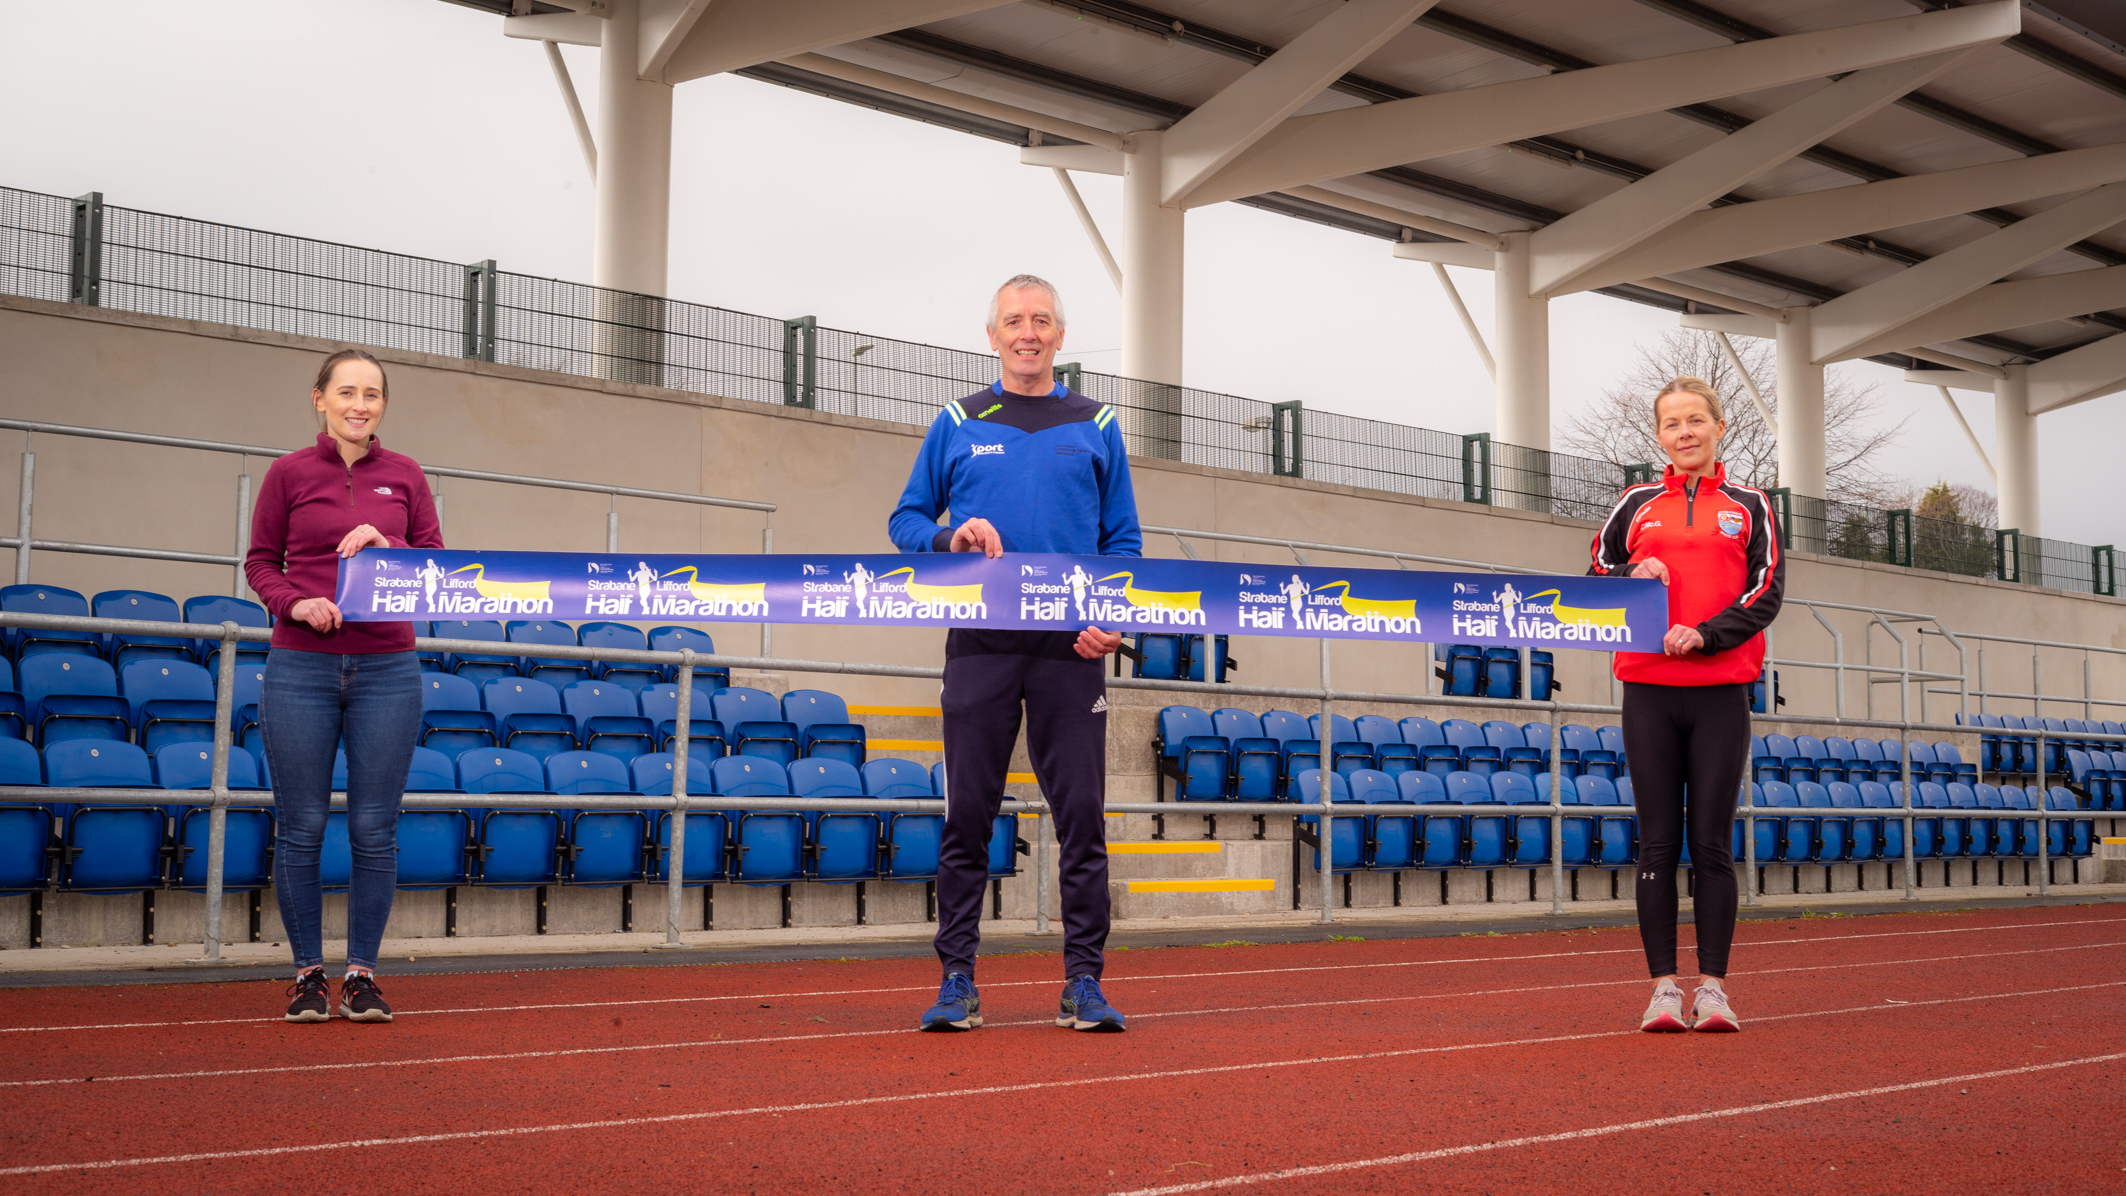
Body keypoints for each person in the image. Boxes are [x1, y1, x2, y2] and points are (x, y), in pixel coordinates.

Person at [888, 273, 1140, 1033]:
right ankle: (956, 981)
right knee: (969, 815)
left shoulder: (1096, 425)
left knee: (1082, 822)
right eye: (1012, 321)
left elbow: (1122, 544)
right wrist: (947, 537)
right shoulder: (957, 421)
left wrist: (1109, 621)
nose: (1026, 332)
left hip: (1073, 651)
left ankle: (1084, 982)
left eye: (1040, 320)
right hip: (981, 647)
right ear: (992, 336)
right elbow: (904, 521)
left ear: (1060, 335)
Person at [246, 347, 442, 1024]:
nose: (361, 404)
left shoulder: (407, 476)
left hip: (388, 668)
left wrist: (395, 552)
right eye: (348, 392)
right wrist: (294, 604)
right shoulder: (288, 474)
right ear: (320, 399)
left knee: (372, 829)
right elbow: (259, 563)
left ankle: (361, 975)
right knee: (300, 827)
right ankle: (307, 975)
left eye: (374, 395)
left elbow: (436, 570)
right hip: (300, 666)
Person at [1588, 376, 1782, 1034]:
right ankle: (1663, 991)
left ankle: (1714, 990)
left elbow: (1767, 592)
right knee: (1657, 844)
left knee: (1712, 845)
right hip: (1647, 690)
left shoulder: (1751, 504)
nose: (1685, 432)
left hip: (1722, 693)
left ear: (1720, 426)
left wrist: (1705, 636)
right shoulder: (1636, 503)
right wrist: (1628, 576)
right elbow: (1594, 576)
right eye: (1672, 424)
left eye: (1696, 420)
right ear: (1660, 436)